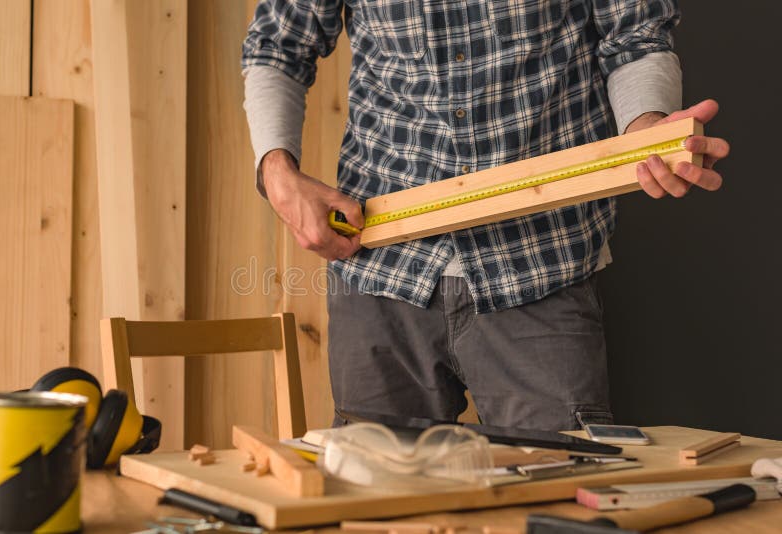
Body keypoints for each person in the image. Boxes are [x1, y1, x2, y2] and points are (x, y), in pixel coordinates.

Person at [241, 1, 729, 431]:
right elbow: (275, 46)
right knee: (372, 499)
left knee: (555, 494)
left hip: (542, 262)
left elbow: (636, 35)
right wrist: (278, 174)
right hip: (380, 270)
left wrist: (646, 137)